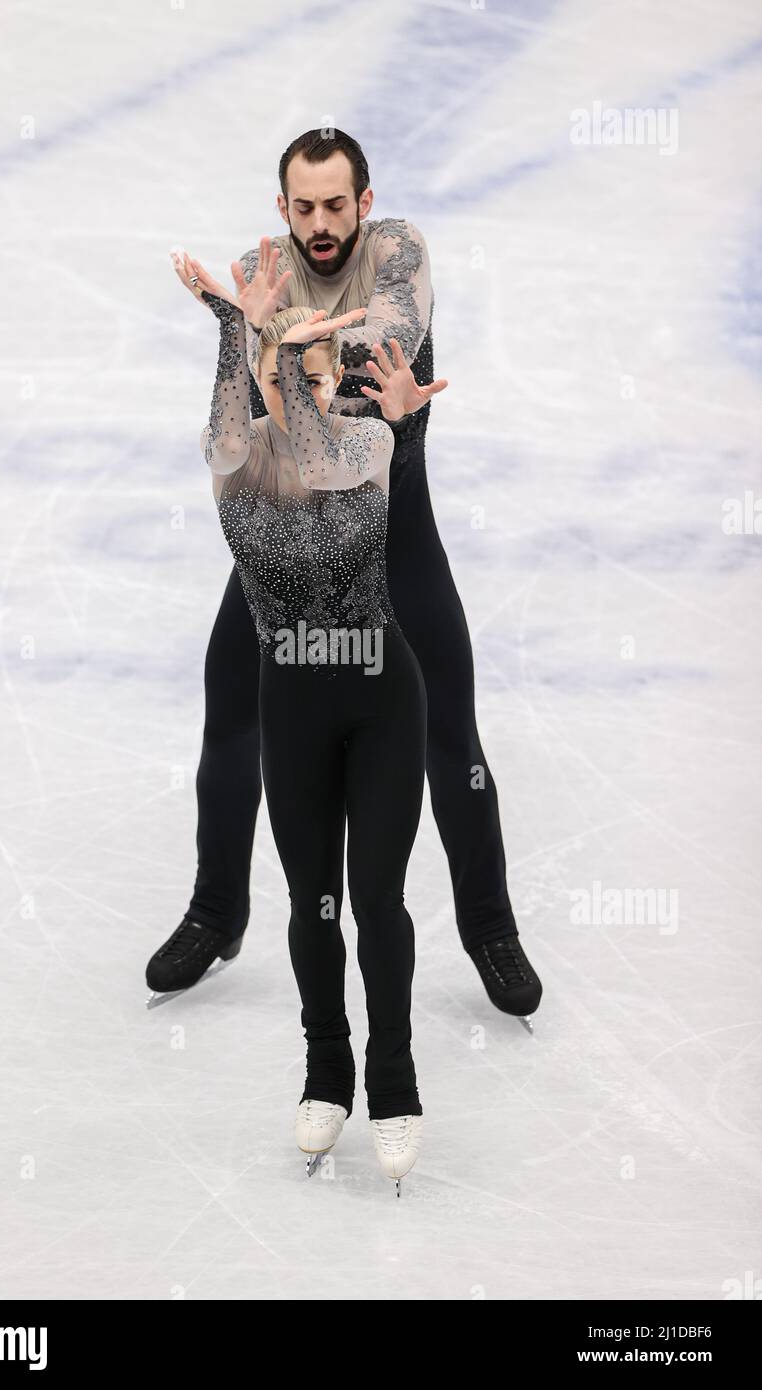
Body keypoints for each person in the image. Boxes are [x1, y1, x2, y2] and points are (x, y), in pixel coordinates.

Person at [150, 129, 542, 1027]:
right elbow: (258, 420)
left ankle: (488, 923)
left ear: (365, 202)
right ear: (280, 207)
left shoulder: (397, 251)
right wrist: (264, 336)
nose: (321, 225)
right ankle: (218, 910)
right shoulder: (263, 269)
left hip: (394, 534)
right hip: (293, 547)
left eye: (337, 205)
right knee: (231, 714)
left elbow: (391, 332)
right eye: (303, 207)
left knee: (452, 734)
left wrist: (292, 334)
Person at [176, 238, 447, 1185]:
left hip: (380, 696)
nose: (318, 386)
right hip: (290, 701)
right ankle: (325, 1067)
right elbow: (231, 436)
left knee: (376, 899)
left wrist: (295, 360)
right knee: (313, 902)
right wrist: (232, 329)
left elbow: (328, 462)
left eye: (328, 370)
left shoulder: (367, 440)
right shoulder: (237, 461)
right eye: (302, 368)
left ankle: (397, 1079)